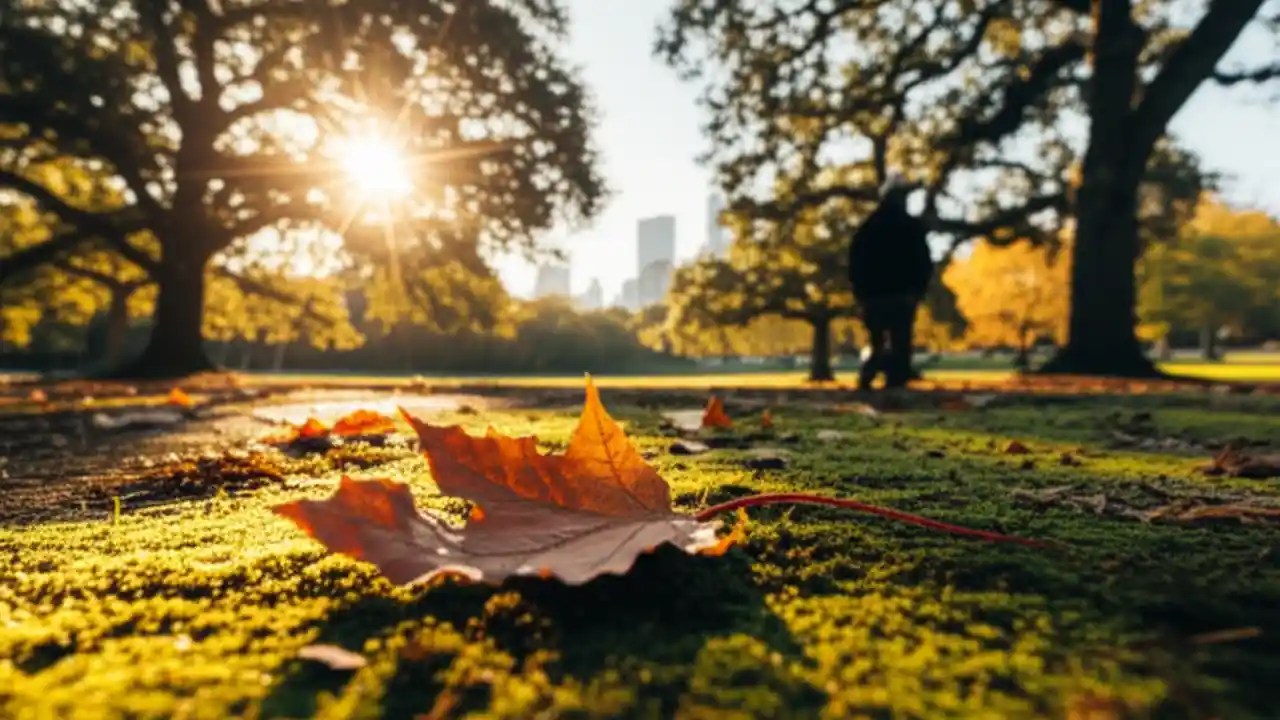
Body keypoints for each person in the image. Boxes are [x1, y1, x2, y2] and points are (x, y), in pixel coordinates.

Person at [848, 173, 933, 390]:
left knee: (877, 341)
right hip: (901, 295)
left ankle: (868, 376)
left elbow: (855, 263)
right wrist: (919, 290)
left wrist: (860, 294)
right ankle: (895, 382)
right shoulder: (911, 227)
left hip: (873, 296)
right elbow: (923, 262)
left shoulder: (867, 228)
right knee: (900, 341)